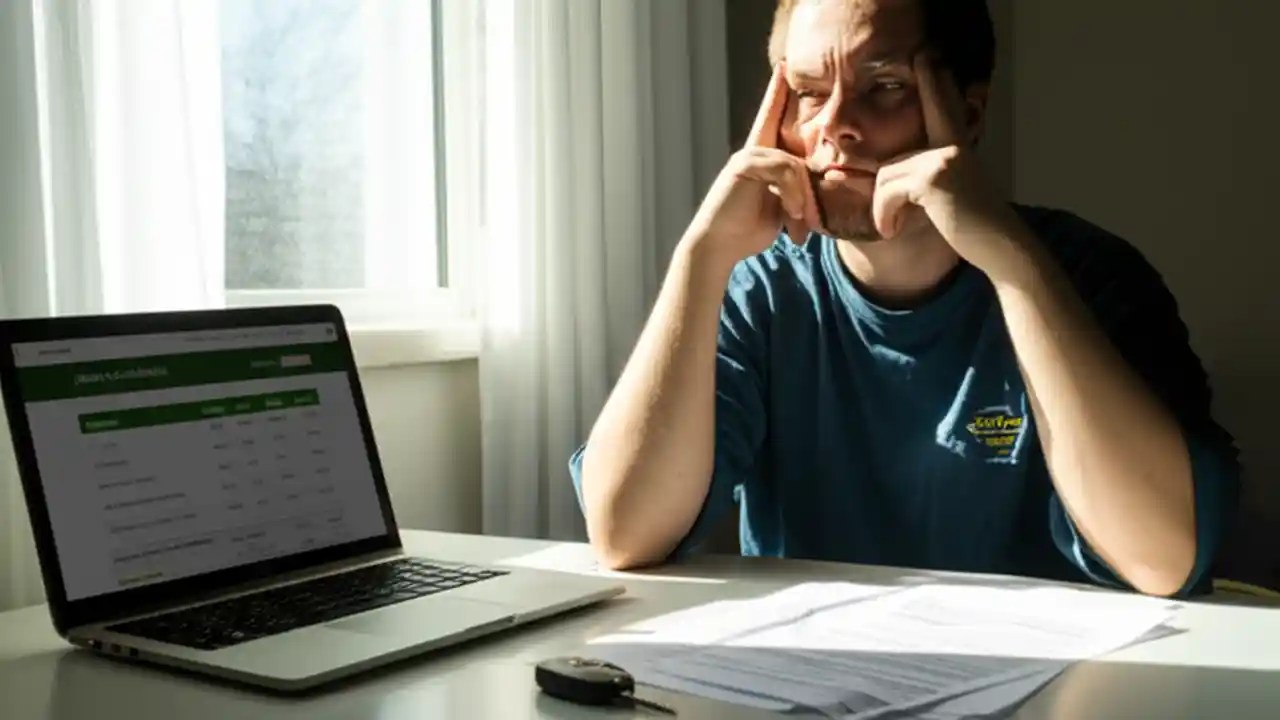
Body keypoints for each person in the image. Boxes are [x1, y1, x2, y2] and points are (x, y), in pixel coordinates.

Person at [567, 0, 1240, 597]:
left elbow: (1165, 560)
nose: (836, 126)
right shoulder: (762, 290)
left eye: (883, 86)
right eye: (807, 92)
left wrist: (1010, 261)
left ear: (968, 114)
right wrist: (701, 257)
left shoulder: (1090, 276)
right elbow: (624, 534)